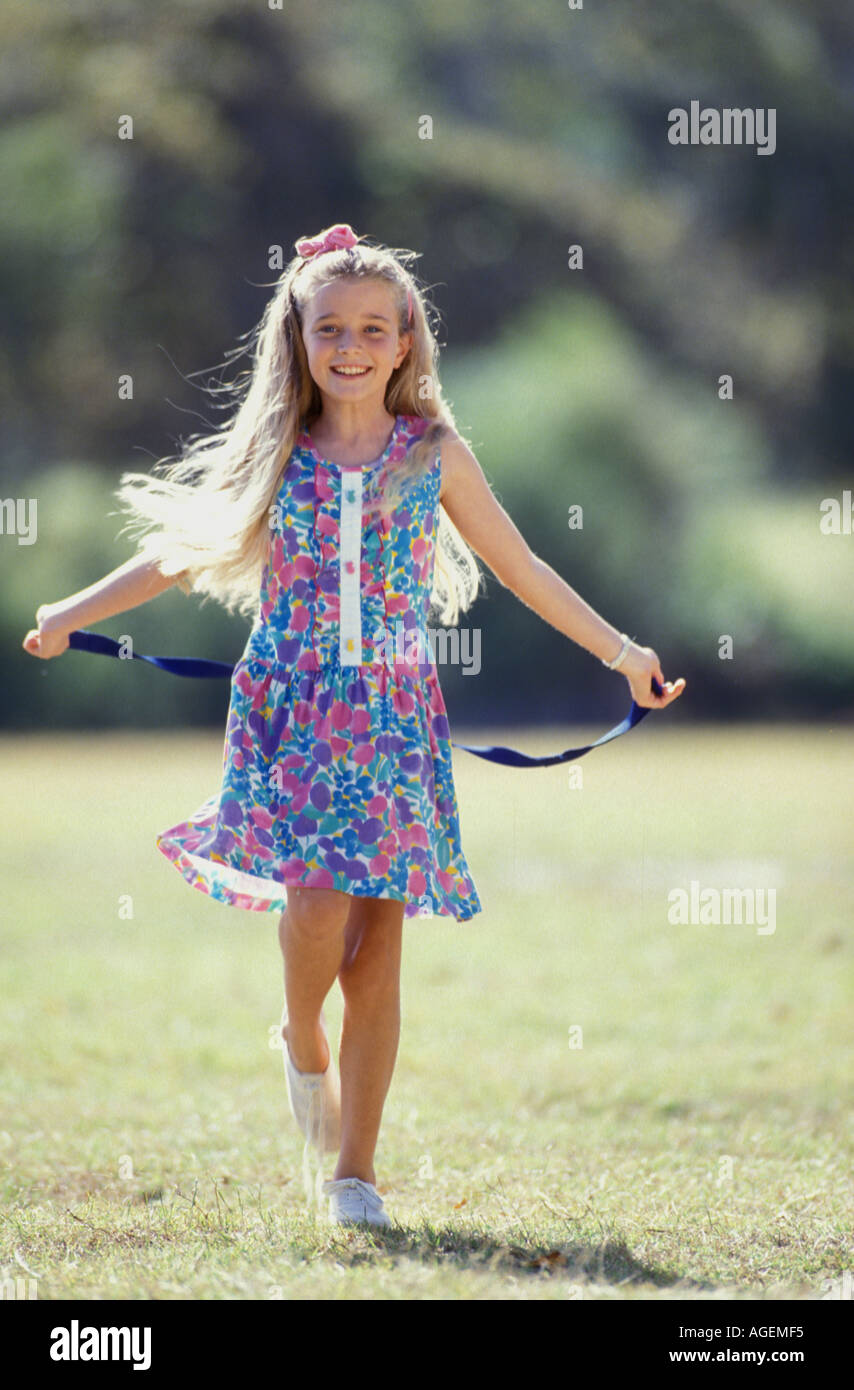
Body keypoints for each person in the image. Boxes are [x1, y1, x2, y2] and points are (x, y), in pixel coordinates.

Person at [22, 223, 685, 1230]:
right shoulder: (276, 451)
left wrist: (621, 653)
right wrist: (70, 613)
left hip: (392, 717)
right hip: (291, 709)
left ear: (407, 339)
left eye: (373, 327)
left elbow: (521, 569)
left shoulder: (434, 453)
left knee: (378, 945)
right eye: (329, 327)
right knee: (318, 913)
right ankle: (298, 1033)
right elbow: (179, 554)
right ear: (295, 337)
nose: (351, 345)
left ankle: (353, 1175)